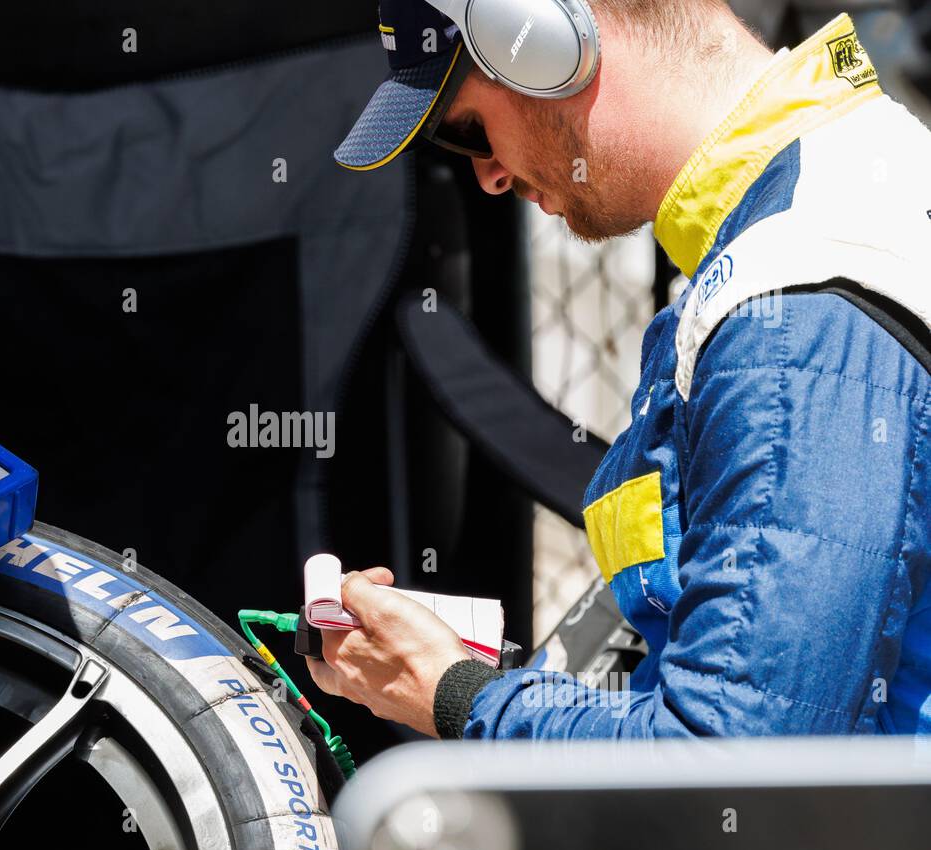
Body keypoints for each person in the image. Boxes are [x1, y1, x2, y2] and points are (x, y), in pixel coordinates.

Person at [311, 0, 931, 739]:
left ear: (543, 37)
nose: (487, 178)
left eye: (467, 128)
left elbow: (733, 770)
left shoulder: (798, 299)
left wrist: (457, 696)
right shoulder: (840, 187)